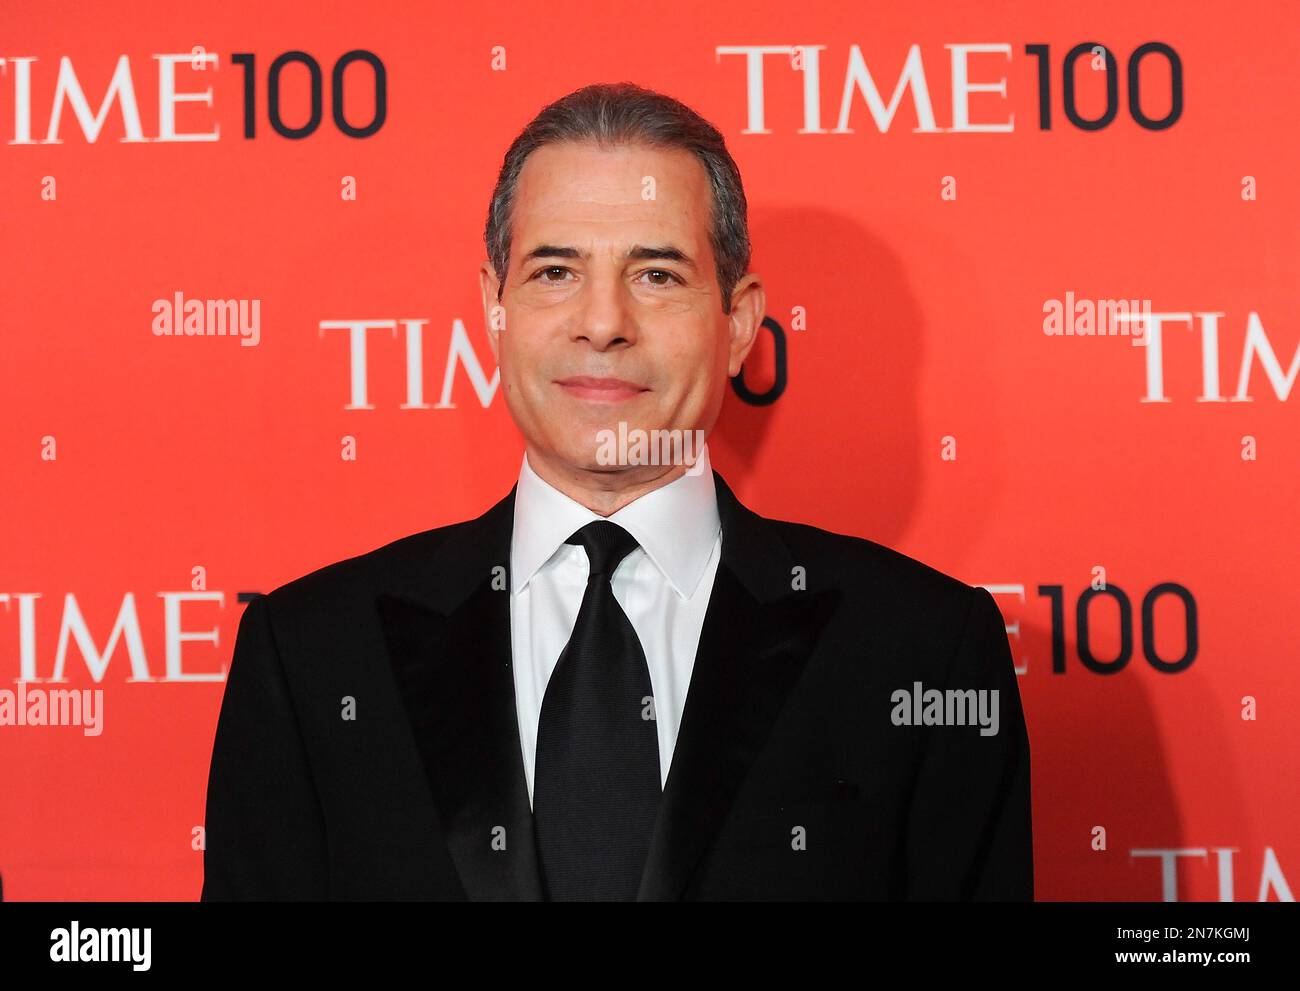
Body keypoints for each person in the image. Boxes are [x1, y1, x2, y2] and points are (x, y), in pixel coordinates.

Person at [201, 81, 1033, 901]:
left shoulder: (923, 650)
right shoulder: (311, 657)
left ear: (738, 321)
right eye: (555, 271)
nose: (602, 322)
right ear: (495, 309)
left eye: (658, 275)